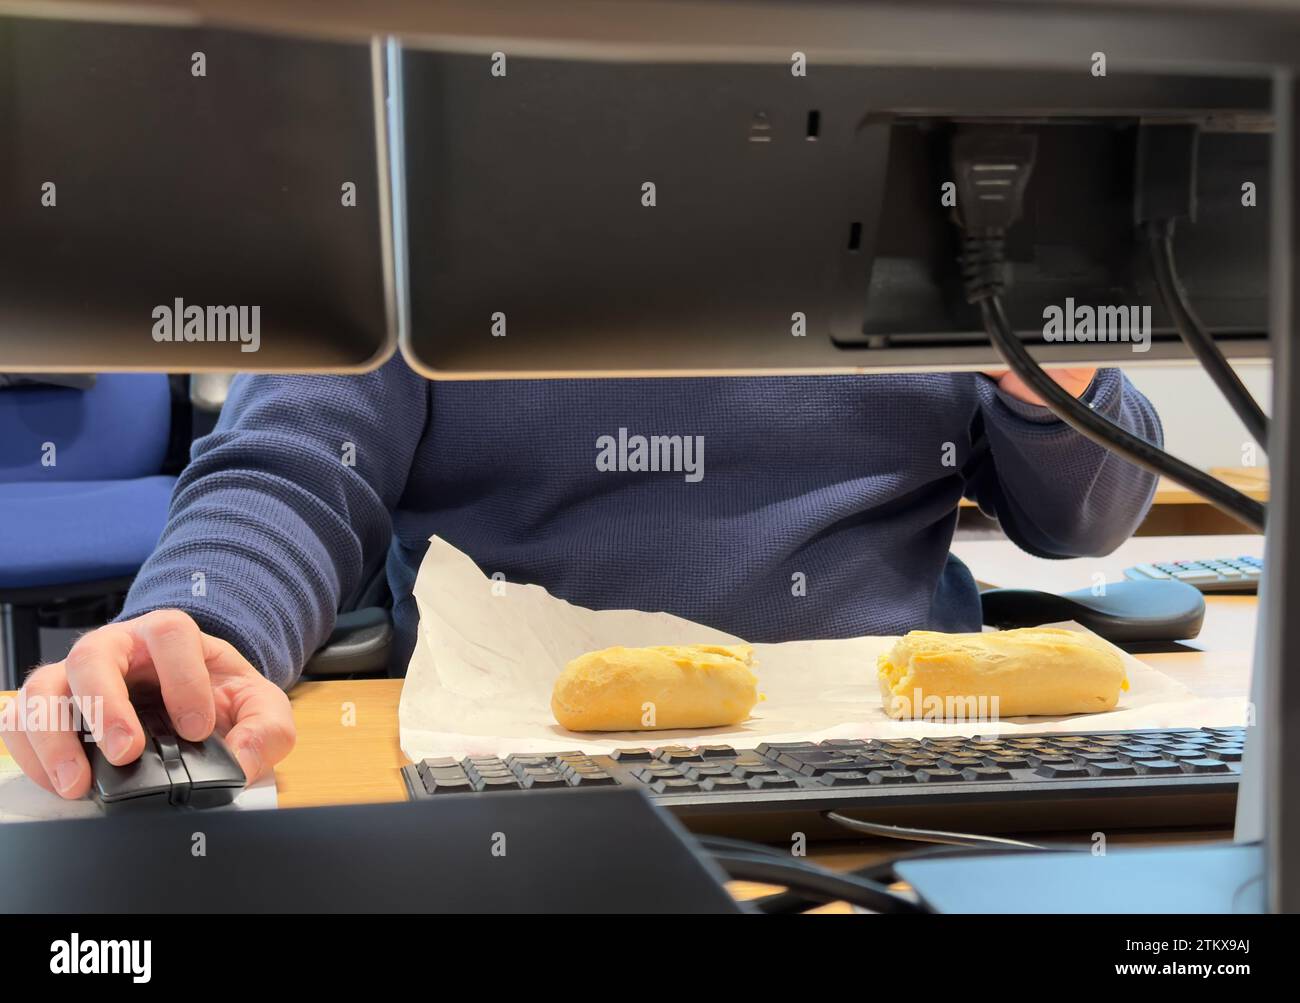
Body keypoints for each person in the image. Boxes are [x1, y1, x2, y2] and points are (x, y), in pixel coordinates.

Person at [2, 358, 1161, 798]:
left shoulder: (930, 153)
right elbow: (296, 459)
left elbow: (1080, 516)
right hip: (514, 788)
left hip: (913, 778)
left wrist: (1048, 370)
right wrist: (203, 613)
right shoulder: (424, 144)